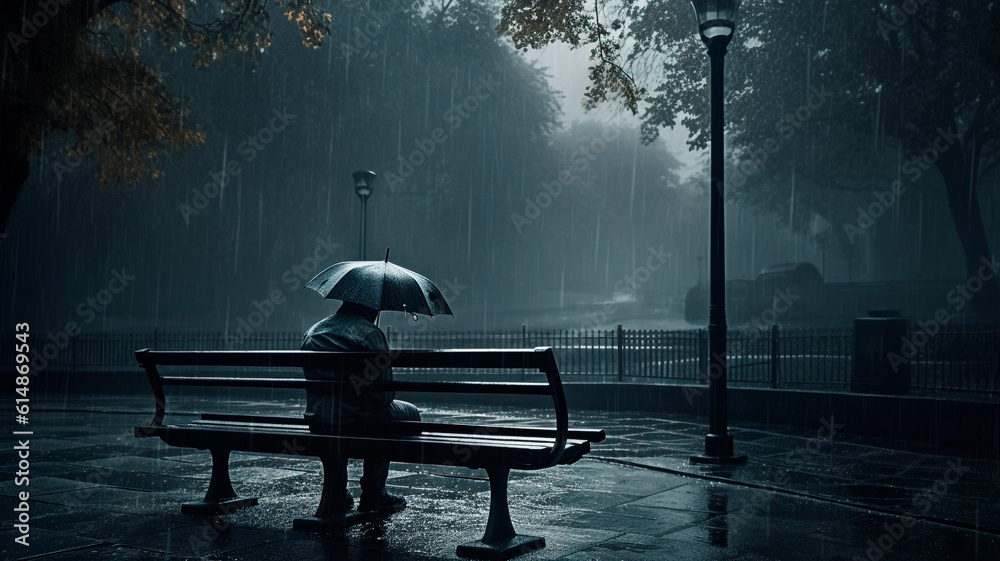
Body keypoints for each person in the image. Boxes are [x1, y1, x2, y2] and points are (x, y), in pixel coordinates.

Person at [300, 301, 420, 515]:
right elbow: (384, 395)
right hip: (358, 421)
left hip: (320, 418)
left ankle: (336, 491)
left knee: (340, 420)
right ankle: (375, 491)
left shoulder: (314, 332)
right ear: (370, 307)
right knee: (406, 414)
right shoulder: (369, 334)